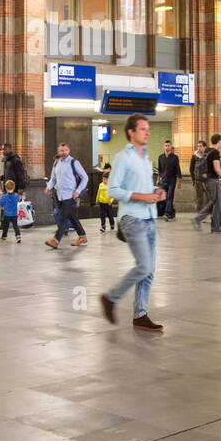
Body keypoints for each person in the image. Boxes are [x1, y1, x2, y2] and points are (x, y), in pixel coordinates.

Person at [98, 114, 167, 333]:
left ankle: (140, 315)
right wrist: (141, 196)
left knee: (149, 271)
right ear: (131, 132)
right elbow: (113, 190)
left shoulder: (145, 159)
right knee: (144, 266)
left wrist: (156, 193)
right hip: (131, 218)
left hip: (149, 217)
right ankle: (110, 298)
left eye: (148, 129)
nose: (147, 132)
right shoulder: (122, 157)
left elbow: (145, 189)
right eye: (143, 129)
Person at [44, 142, 88, 249]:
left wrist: (78, 191)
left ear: (69, 151)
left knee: (63, 218)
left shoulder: (74, 162)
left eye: (65, 150)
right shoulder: (56, 164)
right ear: (58, 152)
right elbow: (53, 178)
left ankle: (56, 240)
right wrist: (49, 186)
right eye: (61, 151)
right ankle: (82, 236)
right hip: (59, 195)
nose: (63, 153)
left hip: (71, 195)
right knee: (71, 216)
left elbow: (85, 177)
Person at [192, 134, 221, 234]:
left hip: (206, 180)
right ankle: (214, 227)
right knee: (218, 204)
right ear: (219, 141)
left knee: (214, 203)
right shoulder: (215, 152)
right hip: (212, 181)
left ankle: (204, 221)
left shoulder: (207, 151)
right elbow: (217, 168)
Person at [157, 140, 181, 220]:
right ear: (164, 146)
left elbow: (178, 170)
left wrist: (179, 182)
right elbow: (160, 170)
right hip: (164, 180)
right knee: (164, 197)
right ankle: (172, 212)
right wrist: (158, 179)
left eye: (168, 145)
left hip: (172, 180)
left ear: (171, 146)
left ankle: (167, 213)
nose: (167, 147)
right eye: (166, 145)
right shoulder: (160, 157)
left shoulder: (175, 157)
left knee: (170, 197)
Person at [96, 165, 115, 232]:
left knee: (110, 215)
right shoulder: (101, 185)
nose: (104, 181)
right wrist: (97, 200)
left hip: (108, 203)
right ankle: (103, 227)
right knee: (102, 216)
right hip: (102, 203)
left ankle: (112, 225)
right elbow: (98, 192)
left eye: (106, 179)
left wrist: (111, 200)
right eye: (103, 179)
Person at [191, 139, 207, 212]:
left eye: (200, 146)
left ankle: (211, 214)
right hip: (198, 180)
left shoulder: (208, 156)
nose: (199, 148)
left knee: (209, 198)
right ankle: (200, 215)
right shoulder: (194, 157)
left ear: (204, 147)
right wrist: (193, 179)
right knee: (199, 198)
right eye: (198, 146)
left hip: (207, 180)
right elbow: (191, 168)